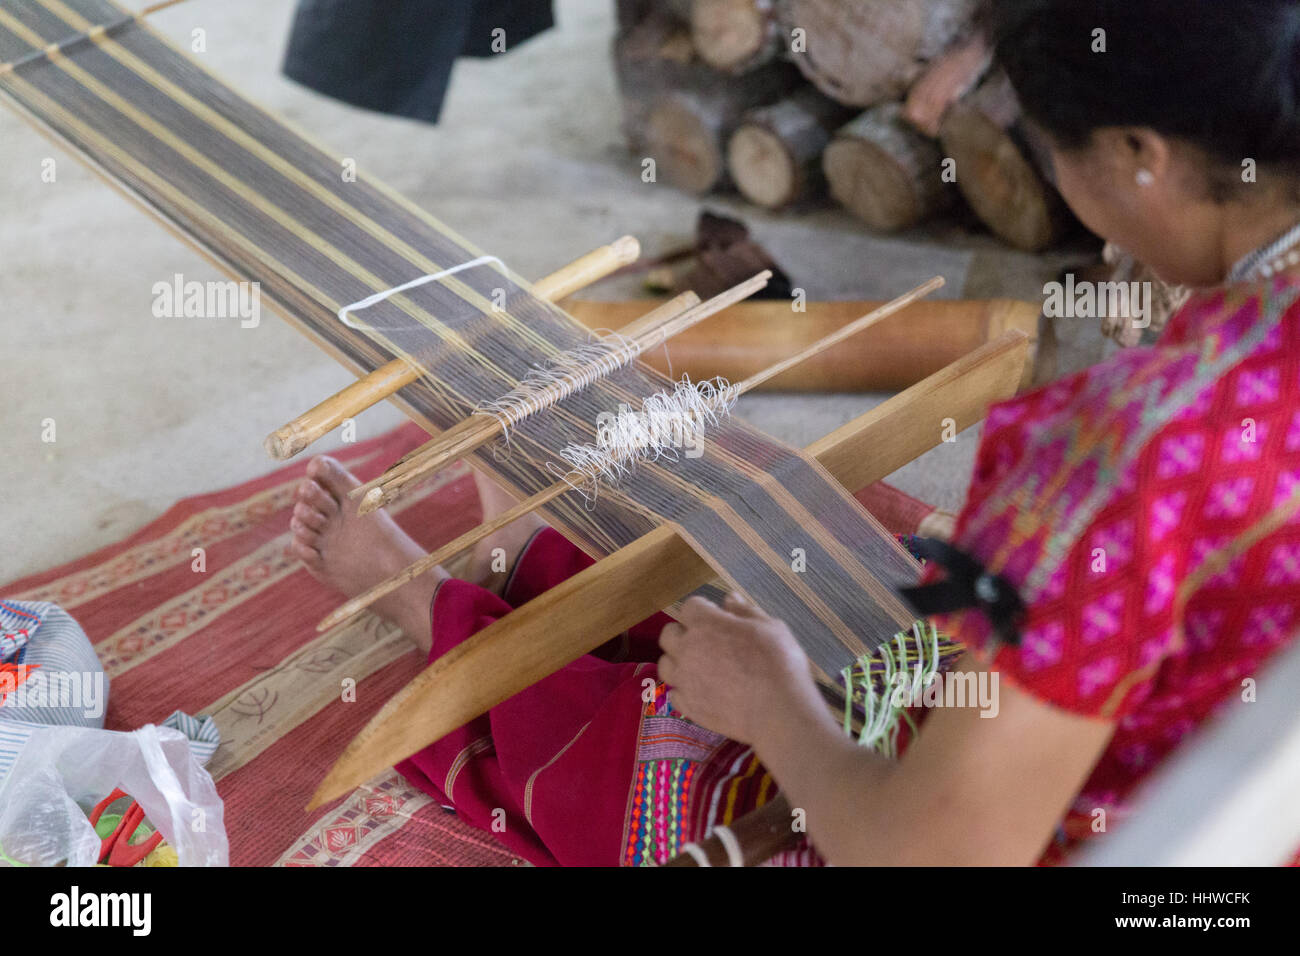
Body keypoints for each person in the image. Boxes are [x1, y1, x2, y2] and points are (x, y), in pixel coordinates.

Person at [289, 0, 1300, 865]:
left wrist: (775, 710)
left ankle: (438, 610)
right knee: (804, 590)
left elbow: (931, 857)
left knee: (676, 746)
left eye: (1050, 146)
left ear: (1139, 154)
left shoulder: (1121, 448)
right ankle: (525, 560)